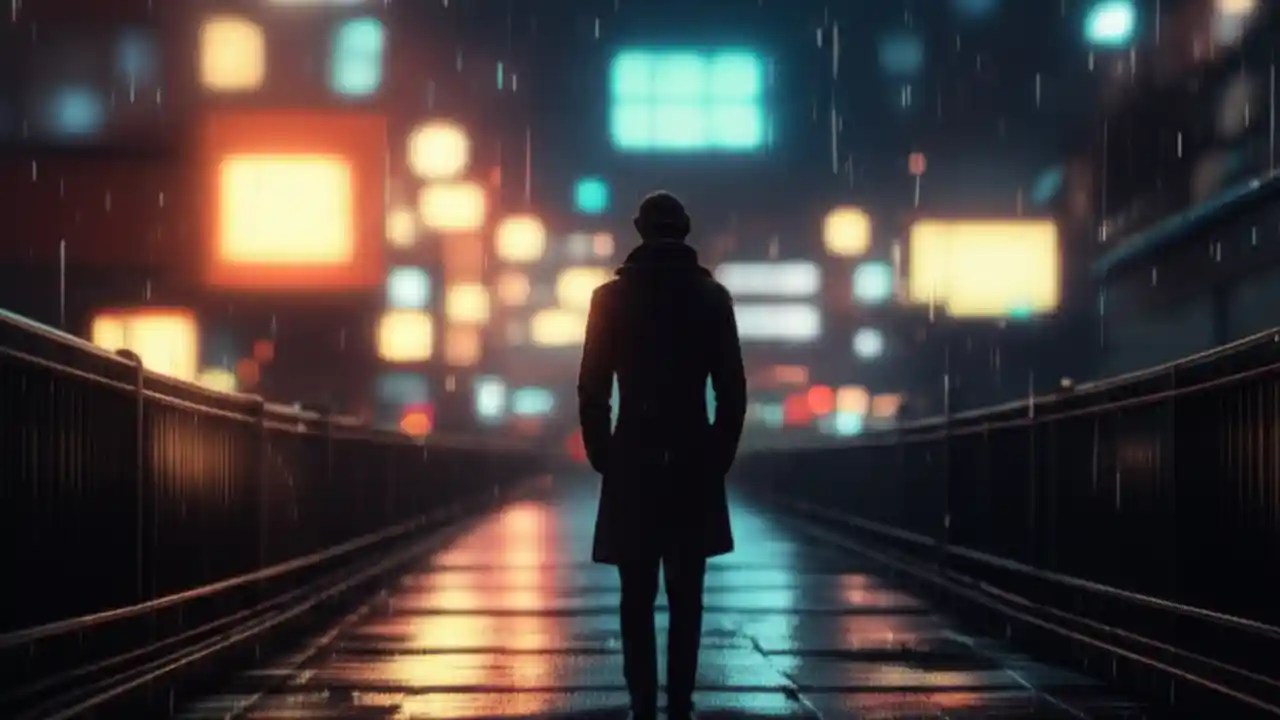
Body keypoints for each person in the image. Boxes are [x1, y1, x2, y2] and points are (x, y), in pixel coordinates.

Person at [578, 191, 747, 720]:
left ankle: (641, 702)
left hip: (634, 452)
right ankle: (679, 701)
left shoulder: (610, 300)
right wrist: (717, 452)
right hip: (692, 452)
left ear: (640, 229)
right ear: (686, 228)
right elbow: (733, 389)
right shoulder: (712, 298)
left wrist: (604, 451)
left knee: (636, 591)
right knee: (686, 592)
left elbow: (592, 387)